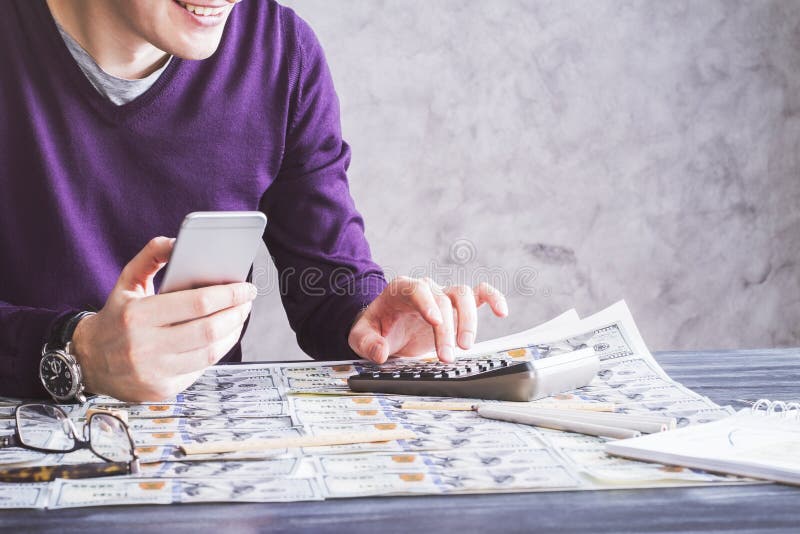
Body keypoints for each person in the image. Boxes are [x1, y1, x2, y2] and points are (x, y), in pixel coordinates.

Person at [0, 0, 508, 402]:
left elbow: (328, 282)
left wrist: (373, 320)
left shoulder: (281, 53)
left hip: (203, 457)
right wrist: (77, 352)